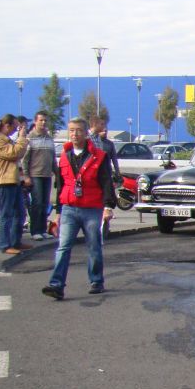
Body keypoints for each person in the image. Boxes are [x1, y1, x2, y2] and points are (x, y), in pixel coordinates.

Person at [42, 118, 117, 299]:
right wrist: (58, 212)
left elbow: (107, 182)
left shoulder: (99, 156)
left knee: (93, 246)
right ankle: (56, 285)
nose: (75, 134)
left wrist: (108, 206)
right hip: (69, 208)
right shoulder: (64, 157)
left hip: (92, 209)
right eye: (71, 131)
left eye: (78, 131)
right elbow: (60, 186)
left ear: (85, 133)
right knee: (63, 246)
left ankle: (96, 280)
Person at [0, 113, 30, 255]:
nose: (16, 130)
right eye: (15, 127)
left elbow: (19, 153)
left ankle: (15, 241)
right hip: (5, 182)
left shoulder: (6, 140)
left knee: (20, 213)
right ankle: (5, 245)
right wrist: (22, 137)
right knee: (6, 215)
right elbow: (15, 153)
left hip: (14, 180)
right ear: (7, 125)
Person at [24, 111, 57, 240]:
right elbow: (25, 160)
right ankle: (35, 231)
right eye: (41, 120)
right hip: (35, 174)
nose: (43, 123)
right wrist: (27, 176)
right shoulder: (30, 138)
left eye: (45, 120)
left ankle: (43, 229)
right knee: (37, 203)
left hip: (47, 174)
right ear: (35, 121)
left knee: (45, 203)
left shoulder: (49, 139)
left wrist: (57, 174)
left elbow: (53, 158)